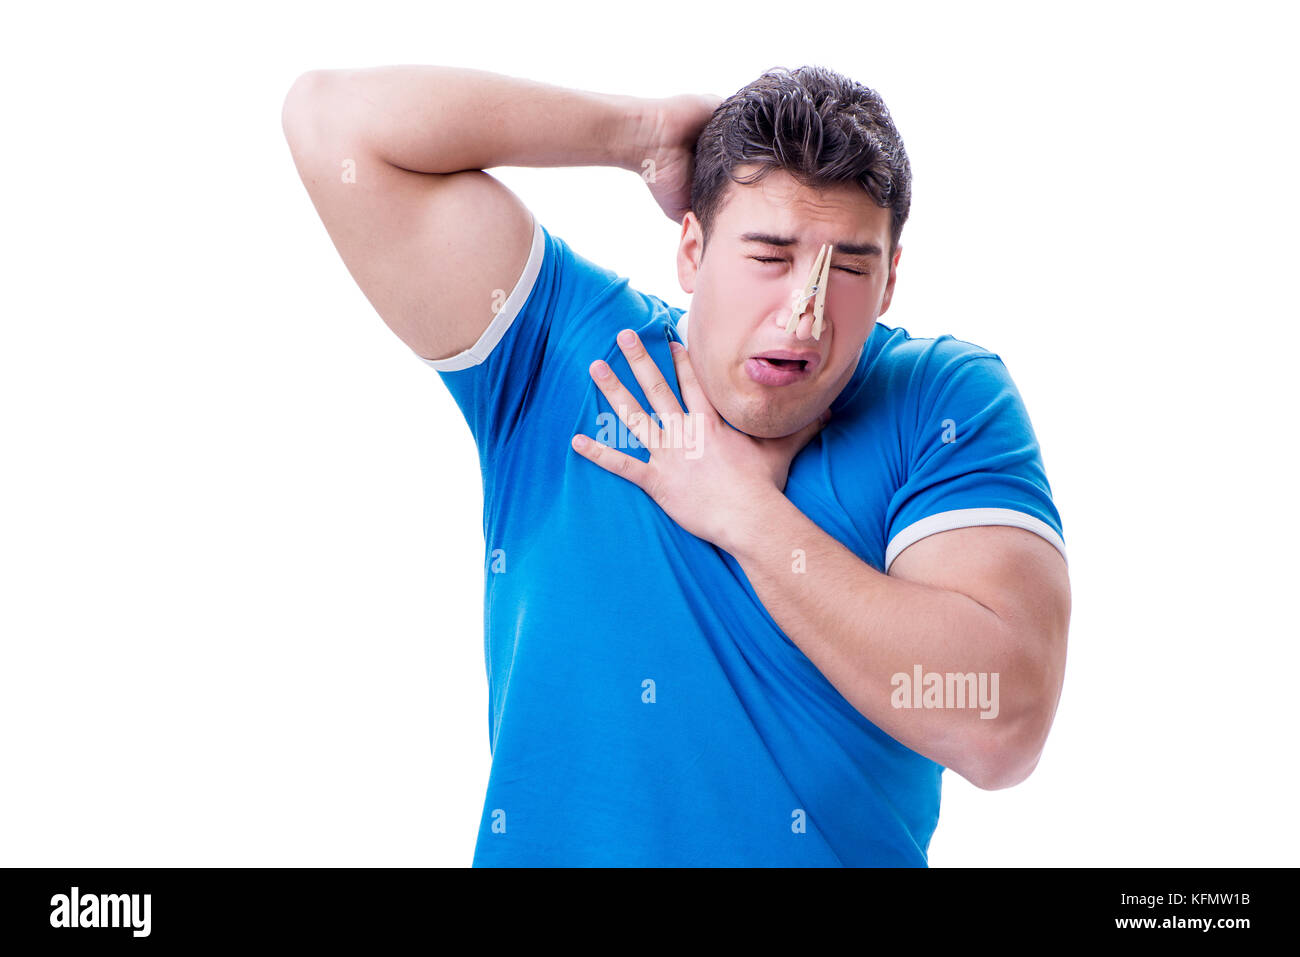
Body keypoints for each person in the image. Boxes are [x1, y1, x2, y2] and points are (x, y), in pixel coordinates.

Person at [281, 63, 1072, 866]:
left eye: (851, 266)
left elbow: (1001, 725)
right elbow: (333, 123)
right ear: (691, 249)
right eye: (769, 254)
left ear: (892, 278)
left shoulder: (939, 401)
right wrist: (638, 136)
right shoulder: (564, 352)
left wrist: (744, 514)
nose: (803, 314)